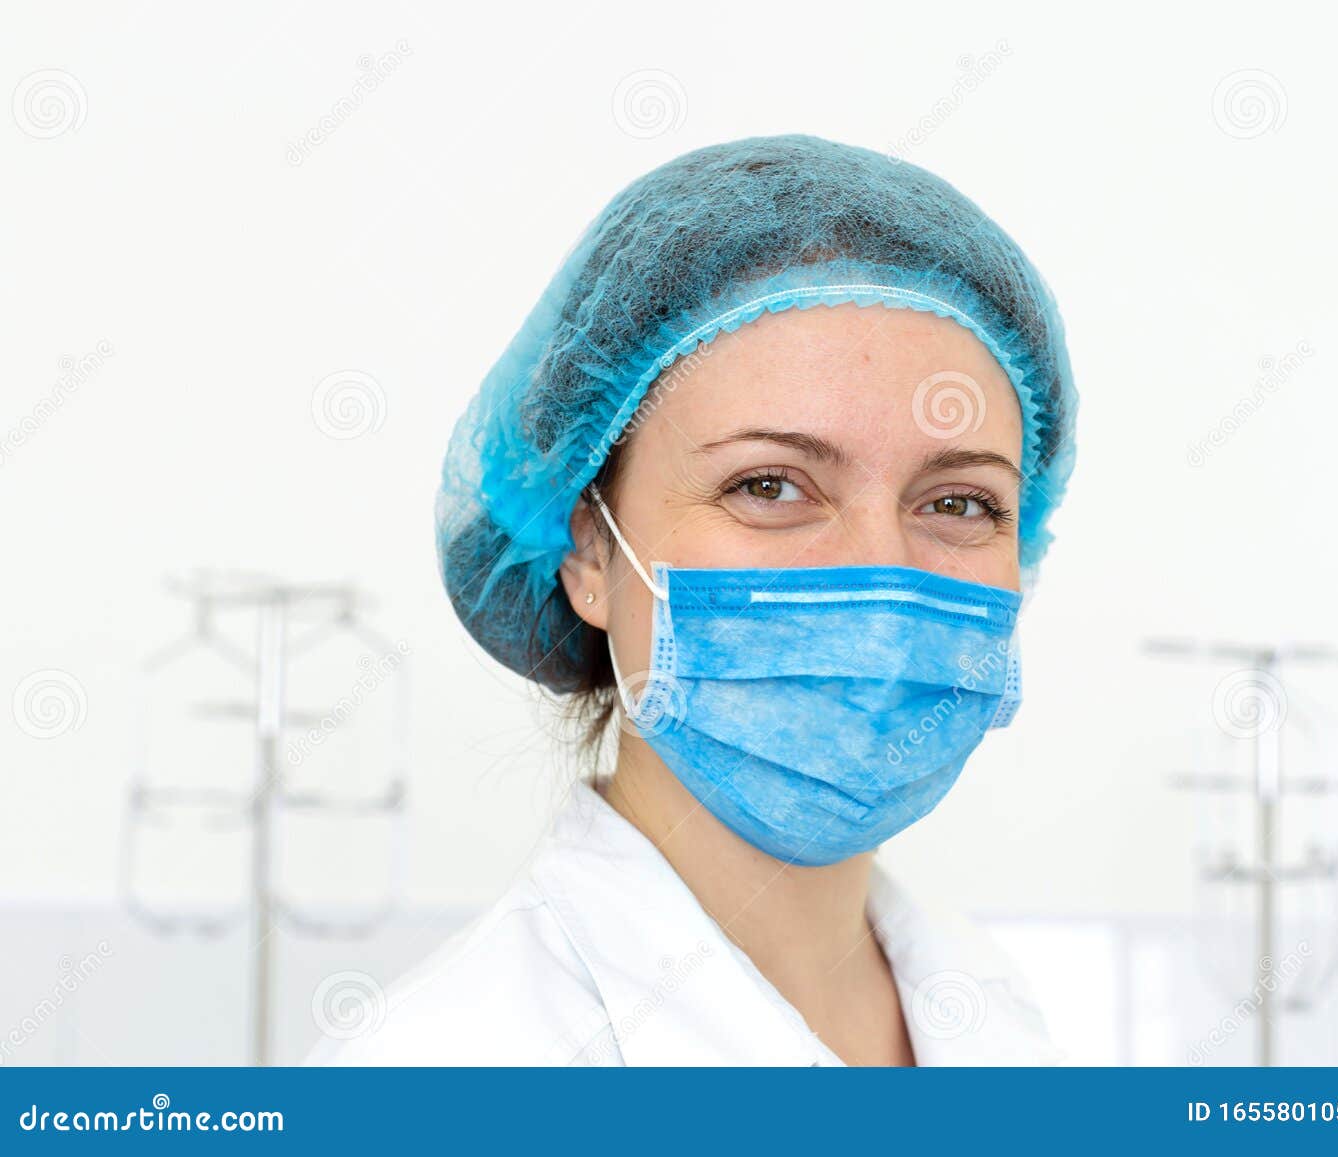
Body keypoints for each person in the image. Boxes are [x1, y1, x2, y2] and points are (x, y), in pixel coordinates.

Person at [307, 134, 1078, 1066]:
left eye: (959, 502)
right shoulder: (444, 1068)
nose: (882, 571)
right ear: (590, 550)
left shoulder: (1003, 1019)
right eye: (769, 485)